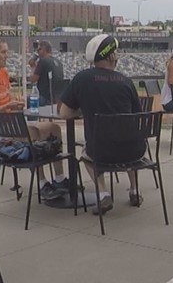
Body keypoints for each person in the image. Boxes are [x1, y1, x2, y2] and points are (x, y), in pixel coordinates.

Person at [58, 34, 147, 214]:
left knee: (85, 154)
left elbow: (64, 113)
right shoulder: (126, 81)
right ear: (111, 56)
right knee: (129, 138)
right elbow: (138, 116)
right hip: (133, 151)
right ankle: (134, 190)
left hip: (100, 152)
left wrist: (83, 110)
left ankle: (103, 194)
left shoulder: (81, 78)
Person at [0, 37, 68, 199]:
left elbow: (6, 99)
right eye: (3, 52)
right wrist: (5, 107)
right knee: (33, 135)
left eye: (7, 52)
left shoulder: (3, 72)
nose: (6, 56)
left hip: (11, 124)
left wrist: (15, 103)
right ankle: (42, 184)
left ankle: (60, 179)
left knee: (54, 129)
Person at [29, 40, 64, 106]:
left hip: (45, 98)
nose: (37, 52)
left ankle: (31, 116)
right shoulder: (59, 62)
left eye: (38, 49)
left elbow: (33, 79)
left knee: (25, 101)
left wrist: (33, 66)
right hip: (56, 99)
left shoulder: (43, 61)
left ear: (43, 49)